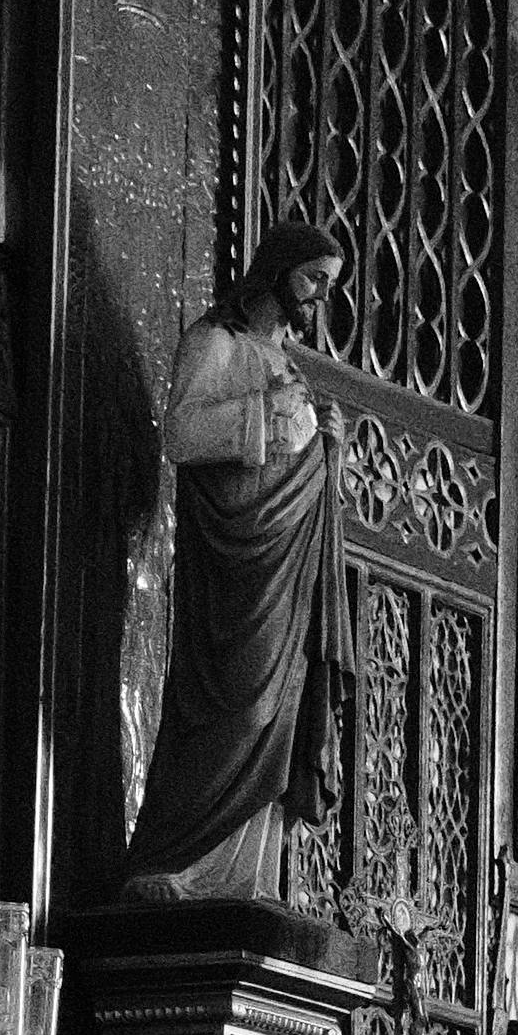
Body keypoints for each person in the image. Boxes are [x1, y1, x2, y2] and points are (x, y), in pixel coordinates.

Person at [118, 213, 347, 901]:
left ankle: (247, 879)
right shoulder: (214, 341)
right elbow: (182, 433)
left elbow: (298, 463)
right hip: (232, 567)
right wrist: (264, 414)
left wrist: (327, 449)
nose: (320, 296)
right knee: (233, 709)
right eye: (313, 278)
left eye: (329, 284)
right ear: (276, 270)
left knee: (276, 714)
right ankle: (178, 863)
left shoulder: (290, 365)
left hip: (286, 569)